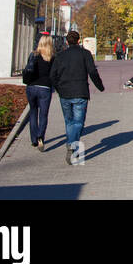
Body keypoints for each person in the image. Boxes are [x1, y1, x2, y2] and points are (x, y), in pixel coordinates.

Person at [50, 30, 105, 165]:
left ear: (67, 42)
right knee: (78, 122)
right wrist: (100, 86)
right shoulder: (85, 54)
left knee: (69, 121)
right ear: (79, 41)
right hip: (80, 92)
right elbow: (92, 71)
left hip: (65, 93)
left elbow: (52, 75)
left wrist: (58, 89)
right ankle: (73, 146)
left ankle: (71, 145)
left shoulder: (60, 56)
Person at [22, 34, 54, 150]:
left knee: (33, 112)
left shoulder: (33, 55)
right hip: (45, 88)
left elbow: (28, 69)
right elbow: (54, 74)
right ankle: (41, 136)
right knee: (43, 114)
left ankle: (34, 139)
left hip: (31, 87)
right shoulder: (52, 57)